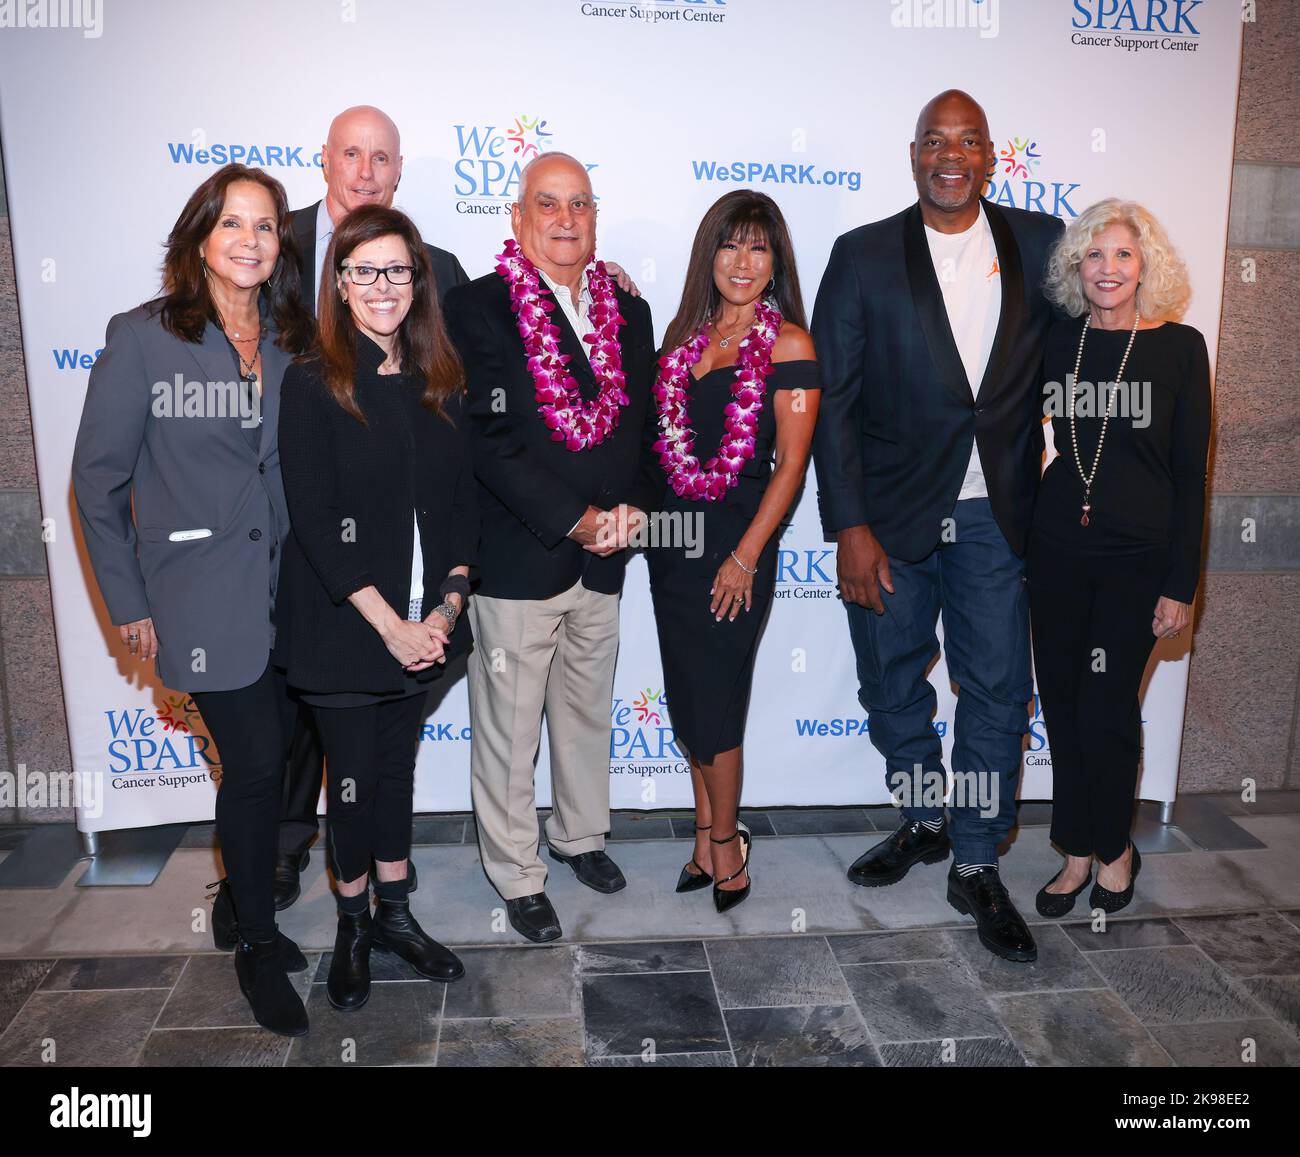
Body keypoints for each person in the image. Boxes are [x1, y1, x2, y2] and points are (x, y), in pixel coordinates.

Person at [812, 90, 1063, 963]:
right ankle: (924, 810)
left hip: (997, 511)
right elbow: (833, 401)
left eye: (968, 142)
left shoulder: (1041, 244)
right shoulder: (862, 255)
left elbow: (1089, 345)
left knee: (996, 686)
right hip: (887, 516)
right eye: (934, 141)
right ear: (912, 153)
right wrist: (848, 524)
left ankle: (975, 856)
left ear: (992, 155)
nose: (949, 156)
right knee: (891, 680)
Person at [72, 164, 316, 1034]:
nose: (250, 241)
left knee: (282, 757)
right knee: (254, 763)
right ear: (200, 236)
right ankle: (256, 941)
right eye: (233, 225)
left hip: (291, 587)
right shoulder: (145, 337)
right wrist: (127, 601)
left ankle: (243, 902)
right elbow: (96, 482)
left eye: (265, 226)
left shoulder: (289, 335)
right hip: (196, 593)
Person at [443, 152, 661, 943]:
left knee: (583, 711)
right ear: (518, 218)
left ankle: (579, 835)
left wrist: (632, 505)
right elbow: (490, 439)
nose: (566, 220)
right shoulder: (477, 307)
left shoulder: (628, 312)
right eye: (548, 204)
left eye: (580, 204)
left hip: (607, 554)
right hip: (519, 557)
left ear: (595, 217)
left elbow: (645, 427)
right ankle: (516, 870)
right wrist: (573, 517)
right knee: (509, 727)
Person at [274, 206, 477, 1009]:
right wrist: (390, 624)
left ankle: (395, 913)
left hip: (426, 631)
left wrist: (445, 611)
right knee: (352, 785)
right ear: (340, 282)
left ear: (417, 280)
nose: (382, 286)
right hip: (347, 632)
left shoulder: (441, 380)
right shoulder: (312, 379)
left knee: (394, 775)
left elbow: (459, 508)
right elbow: (318, 523)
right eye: (364, 271)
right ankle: (352, 926)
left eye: (397, 269)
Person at [1031, 200, 1210, 918]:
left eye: (1123, 255)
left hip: (1139, 559)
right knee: (1063, 704)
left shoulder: (1179, 348)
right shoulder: (1059, 342)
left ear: (1146, 266)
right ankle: (1073, 851)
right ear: (1078, 266)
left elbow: (1193, 473)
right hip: (1056, 553)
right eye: (1094, 255)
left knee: (1106, 705)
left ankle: (1114, 849)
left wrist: (1181, 580)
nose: (1108, 268)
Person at [647, 190, 820, 913]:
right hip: (673, 548)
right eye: (729, 244)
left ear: (775, 259)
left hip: (735, 552)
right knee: (690, 701)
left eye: (758, 246)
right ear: (708, 254)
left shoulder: (792, 346)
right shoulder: (685, 339)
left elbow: (790, 466)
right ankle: (701, 835)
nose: (742, 262)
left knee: (719, 705)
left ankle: (727, 843)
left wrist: (747, 555)